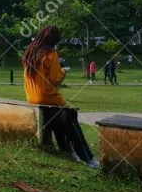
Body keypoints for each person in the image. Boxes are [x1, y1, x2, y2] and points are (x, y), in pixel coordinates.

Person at [22, 26, 99, 168]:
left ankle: (67, 151)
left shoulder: (30, 53)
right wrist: (63, 70)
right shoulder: (51, 54)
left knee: (57, 117)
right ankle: (89, 158)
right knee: (70, 117)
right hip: (47, 97)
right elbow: (54, 80)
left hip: (32, 96)